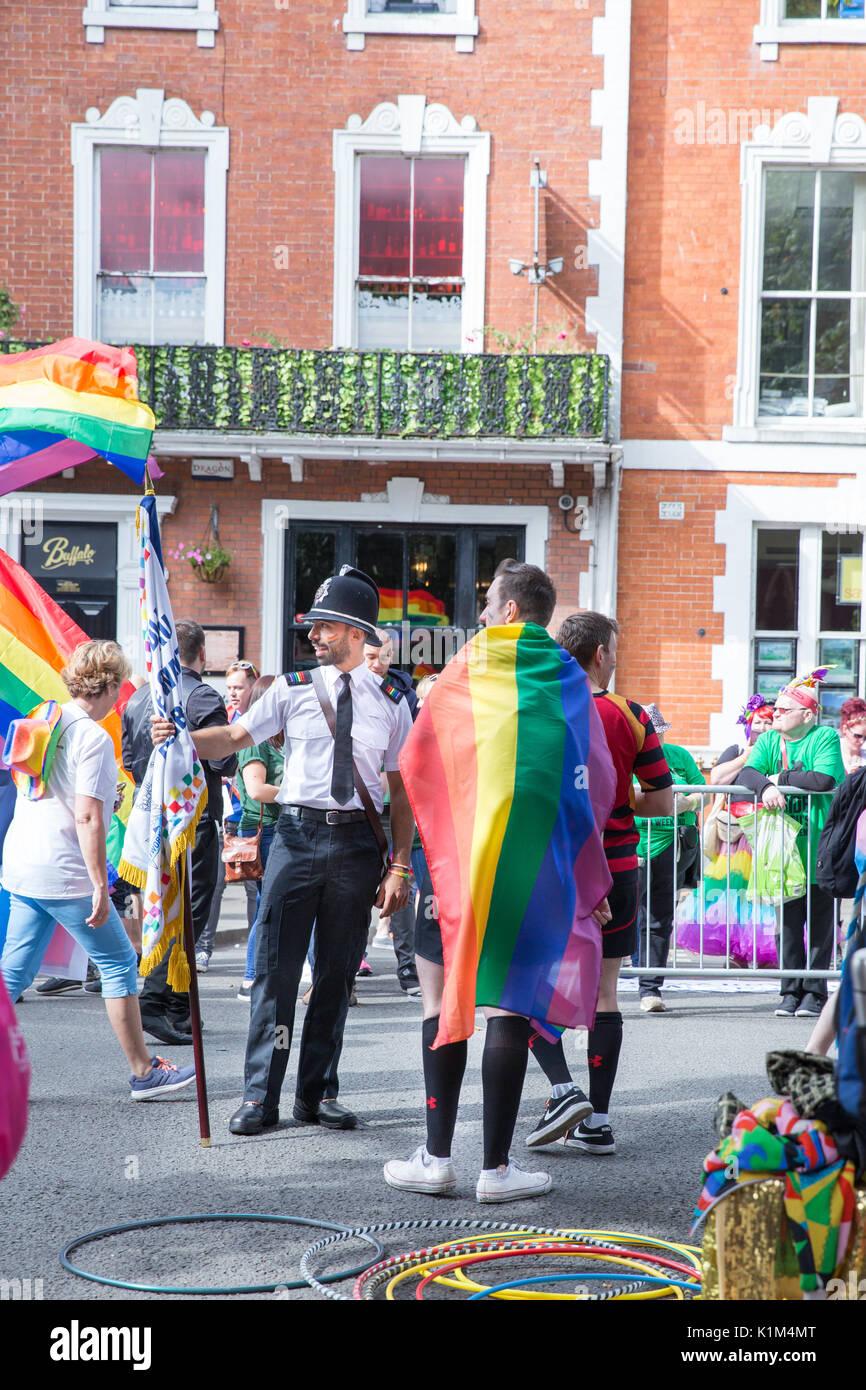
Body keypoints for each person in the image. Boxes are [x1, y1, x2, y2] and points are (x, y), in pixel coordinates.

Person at [151, 566, 414, 1136]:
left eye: (324, 626)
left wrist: (400, 864)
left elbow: (401, 793)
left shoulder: (394, 700)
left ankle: (318, 1094)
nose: (314, 636)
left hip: (356, 847)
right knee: (275, 969)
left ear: (354, 631)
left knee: (337, 976)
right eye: (313, 627)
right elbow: (233, 737)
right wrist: (179, 737)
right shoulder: (291, 690)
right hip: (294, 838)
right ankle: (258, 1096)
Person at [384, 562, 615, 1202]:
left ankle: (436, 1158)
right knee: (513, 1005)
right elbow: (594, 782)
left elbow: (415, 761)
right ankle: (496, 1169)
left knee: (440, 1001)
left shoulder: (463, 669)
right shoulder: (570, 678)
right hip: (538, 866)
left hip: (455, 863)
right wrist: (586, 872)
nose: (482, 614)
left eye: (488, 603)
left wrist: (404, 858)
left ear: (512, 611)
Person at [0, 641, 195, 1100]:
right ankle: (145, 1072)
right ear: (107, 685)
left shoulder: (42, 717)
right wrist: (98, 885)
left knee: (13, 973)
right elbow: (87, 817)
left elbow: (42, 788)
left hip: (24, 862)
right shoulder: (92, 736)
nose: (120, 697)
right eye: (119, 687)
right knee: (118, 963)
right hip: (63, 869)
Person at [522, 612, 675, 1154]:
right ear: (601, 655)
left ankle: (563, 1090)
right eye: (615, 648)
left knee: (531, 985)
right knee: (606, 993)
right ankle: (599, 1120)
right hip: (617, 864)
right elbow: (660, 800)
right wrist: (620, 792)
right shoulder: (631, 714)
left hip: (554, 866)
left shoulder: (539, 708)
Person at [122, 620, 237, 1045]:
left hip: (152, 819)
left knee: (166, 904)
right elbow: (225, 764)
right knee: (188, 912)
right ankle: (156, 1001)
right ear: (201, 654)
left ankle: (178, 1008)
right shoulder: (204, 695)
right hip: (192, 822)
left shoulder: (136, 699)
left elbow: (132, 762)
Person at [737, 670, 845, 1018]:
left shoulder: (824, 736)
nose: (777, 714)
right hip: (783, 852)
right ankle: (789, 990)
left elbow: (823, 778)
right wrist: (766, 787)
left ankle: (814, 993)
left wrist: (779, 778)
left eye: (785, 709)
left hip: (818, 846)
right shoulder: (770, 741)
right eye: (777, 709)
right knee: (787, 925)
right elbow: (747, 774)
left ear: (807, 715)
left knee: (820, 925)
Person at [634, 703, 704, 1013]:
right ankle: (604, 988)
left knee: (659, 916)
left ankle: (650, 988)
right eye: (650, 732)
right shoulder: (625, 753)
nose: (656, 739)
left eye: (659, 733)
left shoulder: (679, 756)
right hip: (631, 844)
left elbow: (703, 791)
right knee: (621, 915)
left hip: (670, 845)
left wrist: (686, 802)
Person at [363, 628, 421, 994]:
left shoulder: (403, 698)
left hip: (395, 805)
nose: (374, 665)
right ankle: (348, 965)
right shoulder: (347, 690)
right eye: (368, 657)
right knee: (353, 887)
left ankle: (408, 968)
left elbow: (411, 753)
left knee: (401, 886)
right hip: (359, 808)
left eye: (380, 657)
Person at [195, 658, 260, 974]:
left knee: (252, 885)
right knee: (216, 883)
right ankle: (203, 948)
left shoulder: (259, 718)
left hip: (249, 813)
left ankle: (255, 950)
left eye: (239, 687)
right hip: (224, 812)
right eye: (229, 687)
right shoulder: (224, 717)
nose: (233, 693)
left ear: (252, 687)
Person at [235, 675, 284, 1002]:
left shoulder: (275, 737)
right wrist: (304, 793)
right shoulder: (255, 738)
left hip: (277, 828)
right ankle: (251, 977)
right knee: (269, 907)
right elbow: (256, 789)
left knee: (276, 906)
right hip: (263, 831)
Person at [710, 696, 775, 787]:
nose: (762, 728)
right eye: (757, 722)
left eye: (768, 723)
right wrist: (746, 756)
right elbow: (716, 780)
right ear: (749, 727)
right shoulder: (737, 750)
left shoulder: (780, 752)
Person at [839, 697, 866, 777]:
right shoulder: (832, 751)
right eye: (858, 736)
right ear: (845, 729)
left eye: (865, 737)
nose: (862, 741)